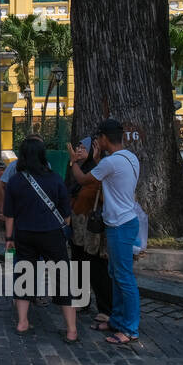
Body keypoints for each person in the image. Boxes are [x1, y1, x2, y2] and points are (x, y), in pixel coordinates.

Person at [70, 119, 141, 347]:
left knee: (124, 278)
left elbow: (82, 179)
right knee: (115, 275)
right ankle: (117, 320)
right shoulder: (128, 158)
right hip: (123, 222)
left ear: (102, 138)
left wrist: (73, 161)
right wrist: (99, 158)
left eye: (97, 138)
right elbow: (108, 175)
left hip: (119, 225)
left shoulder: (110, 163)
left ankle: (130, 329)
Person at [3, 138, 78, 342]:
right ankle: (71, 330)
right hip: (52, 234)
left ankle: (22, 322)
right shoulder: (55, 179)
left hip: (24, 234)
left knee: (24, 276)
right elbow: (66, 212)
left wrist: (9, 238)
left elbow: (9, 214)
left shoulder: (15, 181)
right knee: (62, 278)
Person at [67, 137, 112, 327]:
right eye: (77, 148)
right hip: (76, 224)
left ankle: (106, 308)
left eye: (83, 148)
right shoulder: (76, 168)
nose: (79, 151)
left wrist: (93, 160)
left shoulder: (99, 169)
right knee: (78, 263)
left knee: (96, 266)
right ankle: (81, 300)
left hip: (93, 225)